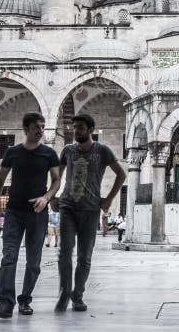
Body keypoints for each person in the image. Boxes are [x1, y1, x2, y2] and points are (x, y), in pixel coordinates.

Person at [0, 111, 62, 319]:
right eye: (37, 126)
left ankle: (25, 299)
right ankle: (5, 304)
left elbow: (56, 181)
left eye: (42, 126)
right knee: (9, 257)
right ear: (26, 128)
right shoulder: (13, 152)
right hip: (14, 211)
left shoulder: (49, 153)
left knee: (34, 262)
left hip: (38, 213)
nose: (41, 131)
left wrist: (46, 198)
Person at [55, 114, 126, 313]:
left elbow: (121, 174)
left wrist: (109, 198)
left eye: (80, 128)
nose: (75, 131)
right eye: (74, 127)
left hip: (90, 208)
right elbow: (56, 176)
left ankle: (77, 296)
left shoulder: (102, 151)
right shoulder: (67, 151)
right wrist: (53, 196)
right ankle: (65, 292)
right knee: (64, 252)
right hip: (68, 206)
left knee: (84, 257)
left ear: (91, 130)